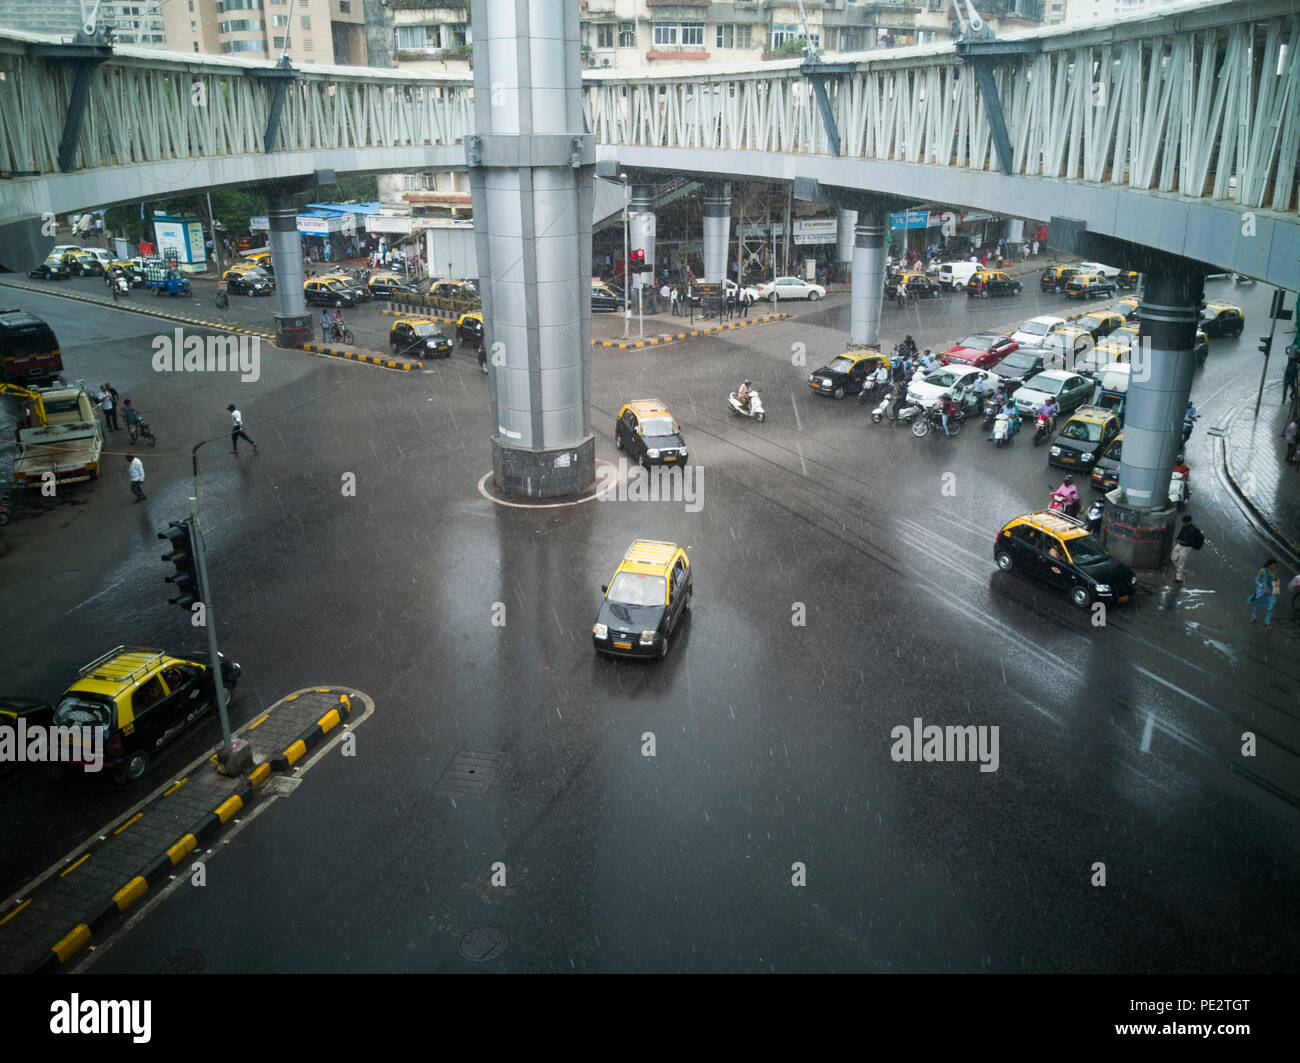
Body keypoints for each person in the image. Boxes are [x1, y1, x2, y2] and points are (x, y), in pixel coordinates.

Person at [1249, 559, 1280, 626]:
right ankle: (1254, 617)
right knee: (1256, 604)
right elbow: (1256, 580)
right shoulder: (1262, 571)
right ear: (1270, 565)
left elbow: (1275, 581)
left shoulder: (1274, 572)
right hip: (1261, 591)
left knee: (1270, 607)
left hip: (1270, 592)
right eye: (1273, 565)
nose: (1275, 567)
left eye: (1275, 565)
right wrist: (1262, 587)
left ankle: (1267, 622)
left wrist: (1276, 591)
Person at [1171, 514, 1201, 583]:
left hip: (1186, 548)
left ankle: (1179, 578)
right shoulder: (1184, 526)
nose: (1183, 523)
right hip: (1179, 544)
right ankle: (1181, 571)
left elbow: (1191, 543)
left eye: (1185, 522)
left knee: (1181, 562)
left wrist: (1181, 541)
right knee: (1173, 558)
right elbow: (1180, 534)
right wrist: (1176, 540)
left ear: (1188, 522)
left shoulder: (1192, 530)